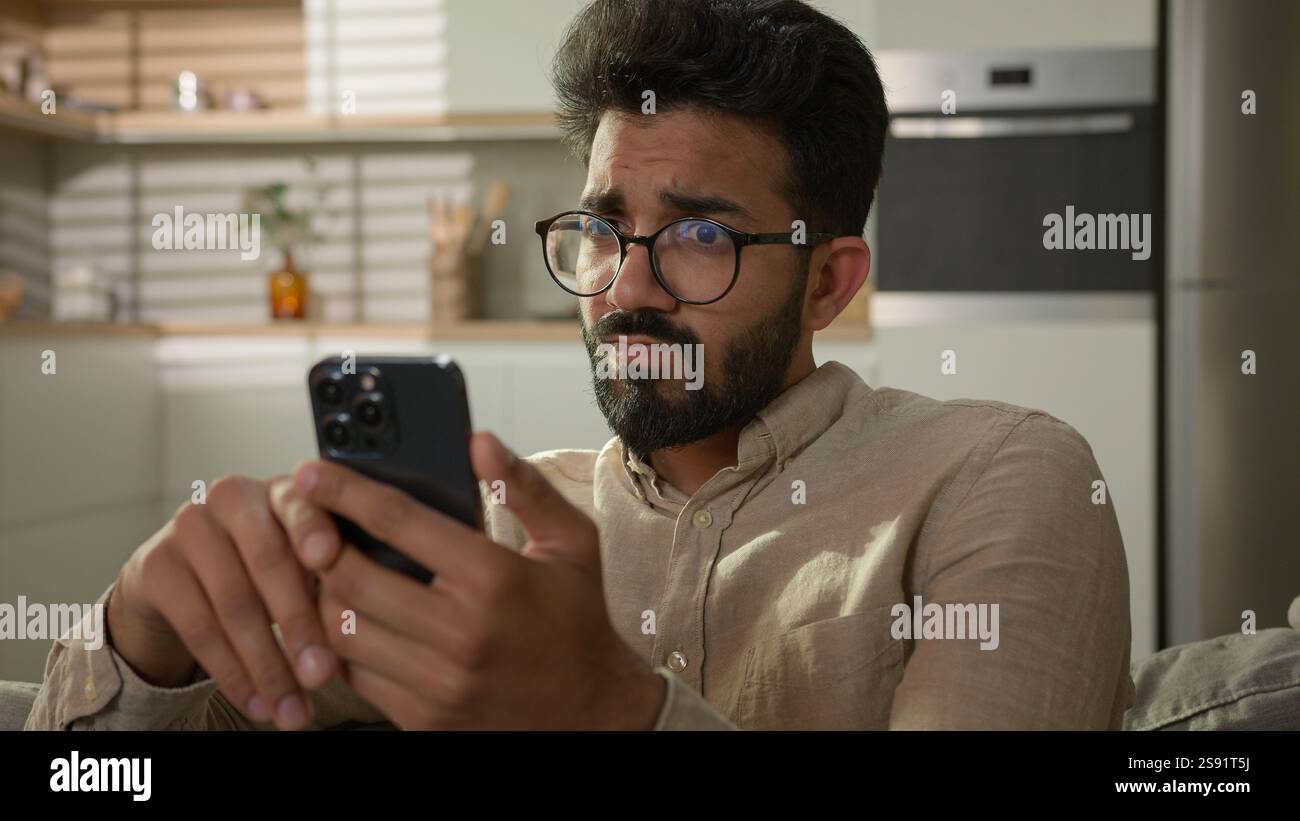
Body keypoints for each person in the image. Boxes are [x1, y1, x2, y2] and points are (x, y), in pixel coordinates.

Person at [26, 0, 1133, 731]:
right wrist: (143, 639)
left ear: (828, 282)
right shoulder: (486, 533)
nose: (627, 287)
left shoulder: (995, 474)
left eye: (700, 234)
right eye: (604, 230)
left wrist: (611, 710)